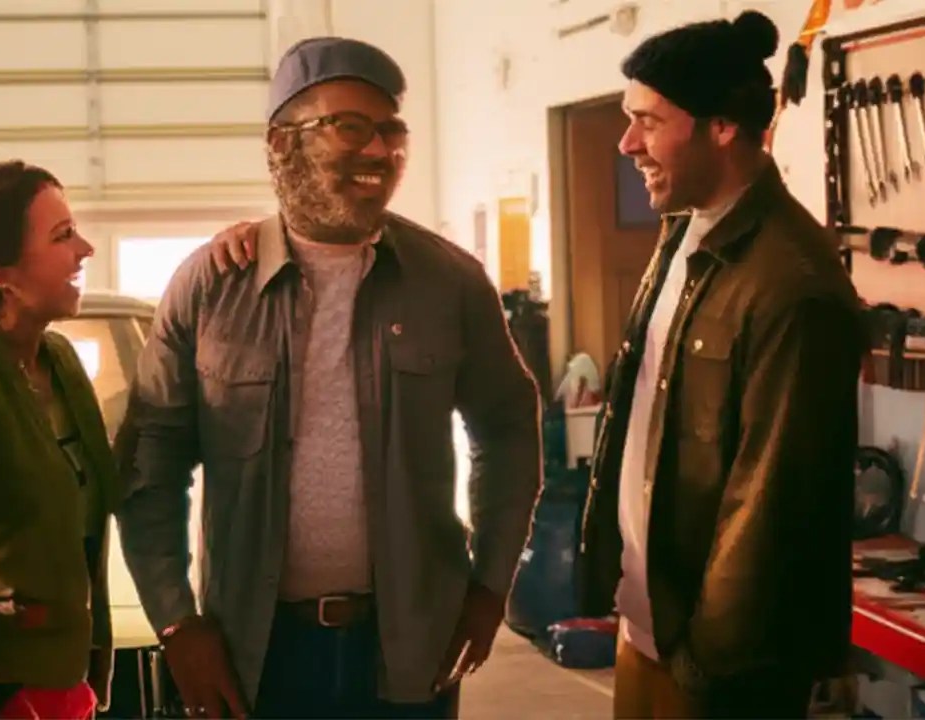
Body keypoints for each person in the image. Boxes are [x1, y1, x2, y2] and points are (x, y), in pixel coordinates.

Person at [117, 36, 542, 719]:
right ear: (281, 143)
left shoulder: (450, 282)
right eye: (351, 127)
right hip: (253, 652)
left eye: (393, 132)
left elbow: (509, 429)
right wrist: (175, 622)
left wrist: (491, 587)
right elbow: (151, 464)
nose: (381, 151)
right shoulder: (210, 287)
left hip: (410, 649)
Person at [575, 11, 864, 718]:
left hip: (721, 664)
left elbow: (769, 501)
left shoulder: (795, 286)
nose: (626, 142)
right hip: (651, 624)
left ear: (723, 127)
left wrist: (708, 663)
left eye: (649, 120)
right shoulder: (683, 231)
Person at [0, 159, 121, 719]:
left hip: (67, 674)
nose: (84, 249)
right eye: (62, 236)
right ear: (0, 274)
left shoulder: (58, 359)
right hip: (1, 688)